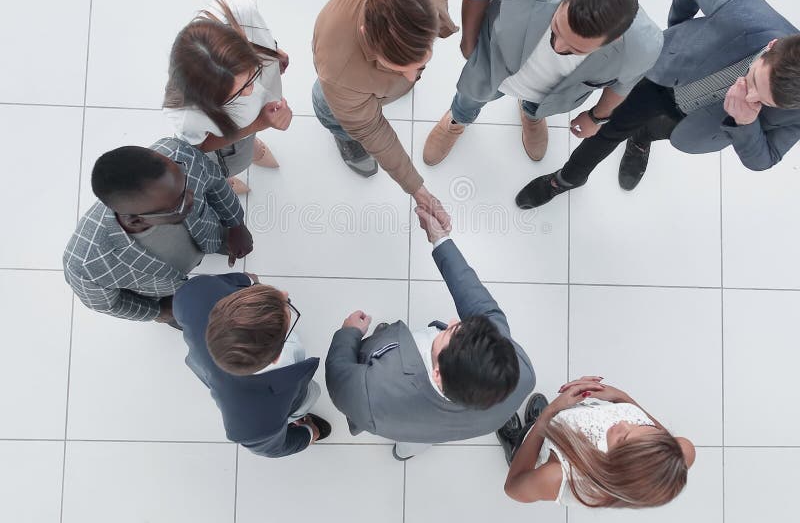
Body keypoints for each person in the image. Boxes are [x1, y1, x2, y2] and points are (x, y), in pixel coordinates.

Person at [517, 0, 800, 208]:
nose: (747, 94)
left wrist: (746, 122)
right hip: (663, 79)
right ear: (771, 46)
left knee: (654, 130)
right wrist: (680, 31)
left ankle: (641, 140)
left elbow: (765, 159)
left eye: (763, 101)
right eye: (752, 80)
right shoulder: (744, 9)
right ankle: (566, 180)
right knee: (611, 129)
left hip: (701, 121)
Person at [422, 0, 662, 172]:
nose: (557, 46)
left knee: (536, 107)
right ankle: (459, 119)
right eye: (557, 28)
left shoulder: (643, 49)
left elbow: (623, 85)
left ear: (614, 39)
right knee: (470, 97)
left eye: (575, 48)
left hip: (549, 95)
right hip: (494, 64)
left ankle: (531, 115)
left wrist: (596, 117)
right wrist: (469, 40)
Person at [325, 202, 535, 460]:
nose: (450, 321)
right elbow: (478, 302)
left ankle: (406, 446)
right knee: (420, 439)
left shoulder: (370, 395)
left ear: (437, 374)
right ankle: (407, 451)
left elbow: (338, 375)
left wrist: (349, 334)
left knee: (409, 433)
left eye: (448, 333)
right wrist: (440, 239)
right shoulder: (520, 371)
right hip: (454, 425)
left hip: (403, 418)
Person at [312, 0, 457, 227]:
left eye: (419, 64)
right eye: (399, 68)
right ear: (367, 37)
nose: (412, 78)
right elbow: (372, 128)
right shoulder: (339, 68)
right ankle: (342, 135)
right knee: (334, 114)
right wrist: (416, 188)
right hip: (340, 92)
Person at [63, 139, 253, 324]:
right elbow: (109, 304)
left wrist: (236, 225)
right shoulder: (85, 266)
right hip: (170, 293)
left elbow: (215, 183)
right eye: (179, 205)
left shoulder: (178, 154)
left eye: (185, 182)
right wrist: (160, 311)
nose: (192, 198)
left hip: (210, 233)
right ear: (136, 221)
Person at [172, 272, 330, 457]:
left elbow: (238, 280)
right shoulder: (255, 425)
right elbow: (273, 448)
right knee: (311, 393)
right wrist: (309, 433)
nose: (284, 294)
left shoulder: (193, 292)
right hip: (283, 399)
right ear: (277, 356)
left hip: (206, 366)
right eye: (288, 308)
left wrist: (248, 281)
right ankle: (297, 416)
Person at [164, 0, 292, 195]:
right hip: (229, 141)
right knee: (237, 158)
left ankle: (252, 148)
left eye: (252, 72)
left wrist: (273, 54)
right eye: (239, 92)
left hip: (246, 125)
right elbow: (201, 146)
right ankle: (228, 180)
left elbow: (260, 33)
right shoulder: (186, 115)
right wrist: (260, 123)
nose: (251, 90)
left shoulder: (239, 11)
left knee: (248, 144)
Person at [499, 377, 695, 509]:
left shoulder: (558, 474)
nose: (624, 422)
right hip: (565, 423)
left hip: (545, 444)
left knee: (526, 441)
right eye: (640, 425)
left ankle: (515, 445)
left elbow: (513, 488)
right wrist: (617, 396)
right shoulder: (678, 452)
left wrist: (548, 415)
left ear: (616, 465)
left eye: (622, 439)